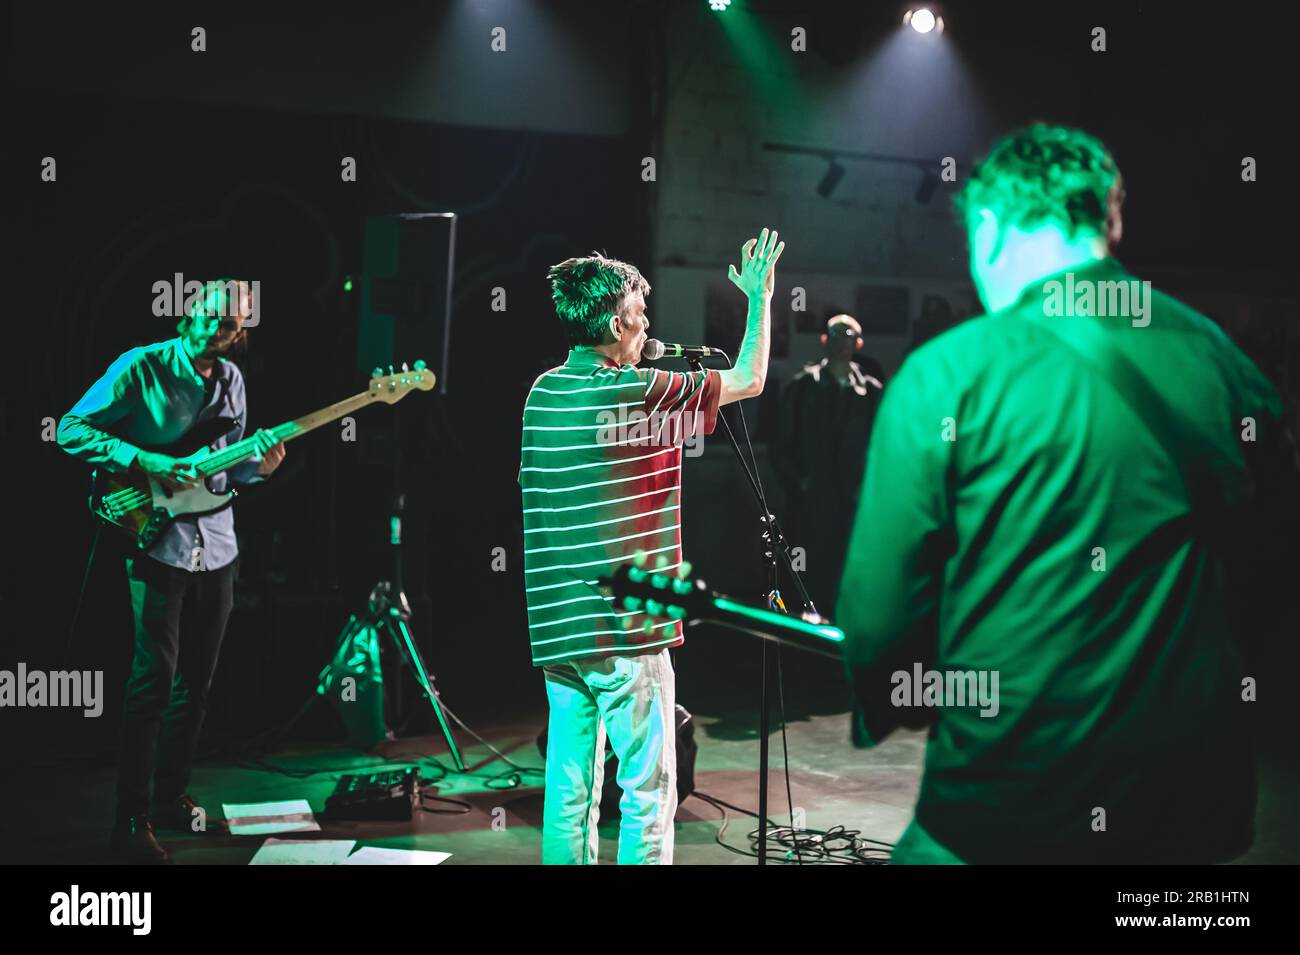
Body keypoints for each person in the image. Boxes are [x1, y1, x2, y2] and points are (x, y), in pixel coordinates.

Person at [836, 124, 1296, 863]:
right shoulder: (1223, 360)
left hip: (1010, 798)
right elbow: (1272, 569)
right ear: (1107, 222)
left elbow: (878, 614)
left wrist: (907, 692)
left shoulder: (950, 372)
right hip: (1193, 805)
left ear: (988, 227)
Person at [522, 231, 784, 864]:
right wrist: (760, 298)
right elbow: (749, 378)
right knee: (648, 788)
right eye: (641, 317)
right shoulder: (635, 393)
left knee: (569, 789)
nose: (648, 329)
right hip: (626, 630)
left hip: (560, 627)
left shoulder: (544, 392)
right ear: (615, 323)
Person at [58, 279, 284, 863]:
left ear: (240, 335)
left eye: (228, 325)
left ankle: (169, 797)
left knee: (197, 685)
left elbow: (223, 474)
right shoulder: (142, 367)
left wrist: (260, 468)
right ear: (189, 312)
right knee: (152, 680)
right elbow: (70, 429)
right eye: (208, 316)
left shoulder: (232, 382)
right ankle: (128, 818)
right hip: (156, 540)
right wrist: (144, 457)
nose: (215, 329)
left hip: (218, 545)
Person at [772, 314, 883, 612]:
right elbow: (780, 445)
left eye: (849, 335)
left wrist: (867, 490)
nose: (842, 341)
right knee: (807, 580)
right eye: (836, 334)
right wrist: (800, 484)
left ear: (858, 343)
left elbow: (882, 448)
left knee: (851, 578)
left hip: (854, 504)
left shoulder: (871, 392)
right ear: (825, 340)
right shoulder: (802, 388)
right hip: (811, 507)